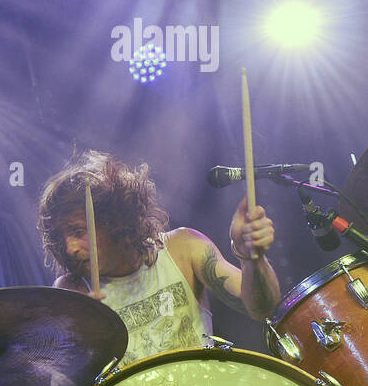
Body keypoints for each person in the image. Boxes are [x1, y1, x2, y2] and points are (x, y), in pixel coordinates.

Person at [38, 150, 279, 366]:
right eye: (63, 238)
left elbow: (261, 309)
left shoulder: (183, 248)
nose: (70, 249)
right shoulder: (74, 291)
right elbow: (57, 374)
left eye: (78, 232)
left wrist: (252, 259)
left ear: (113, 221)